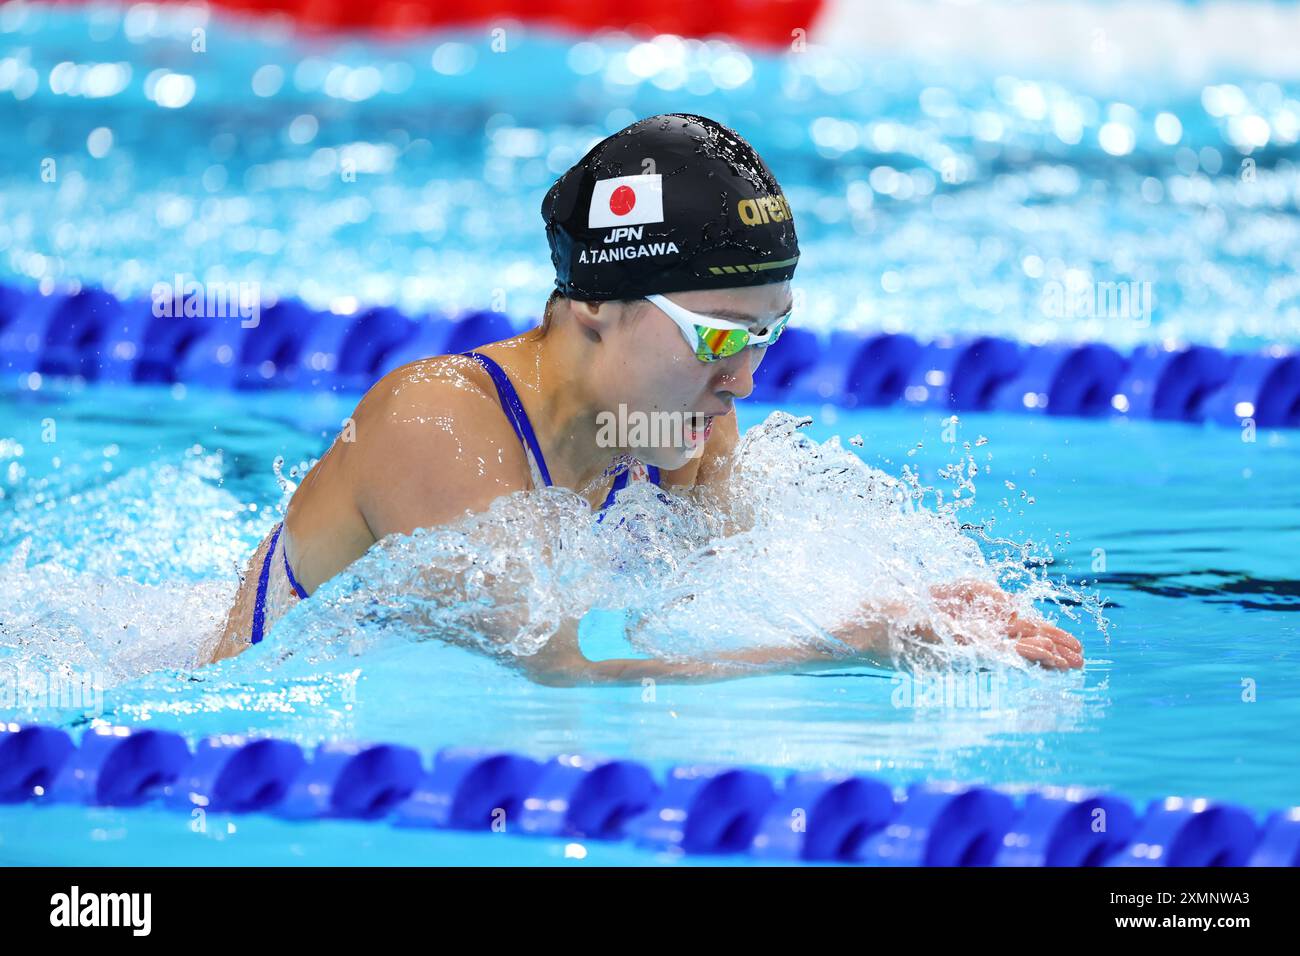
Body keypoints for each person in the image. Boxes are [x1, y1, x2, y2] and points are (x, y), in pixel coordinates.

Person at [210, 113, 1083, 681]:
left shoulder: (688, 441)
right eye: (717, 335)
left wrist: (908, 610)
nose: (743, 378)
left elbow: (717, 622)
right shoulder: (435, 423)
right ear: (594, 304)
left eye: (767, 333)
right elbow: (565, 670)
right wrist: (854, 644)